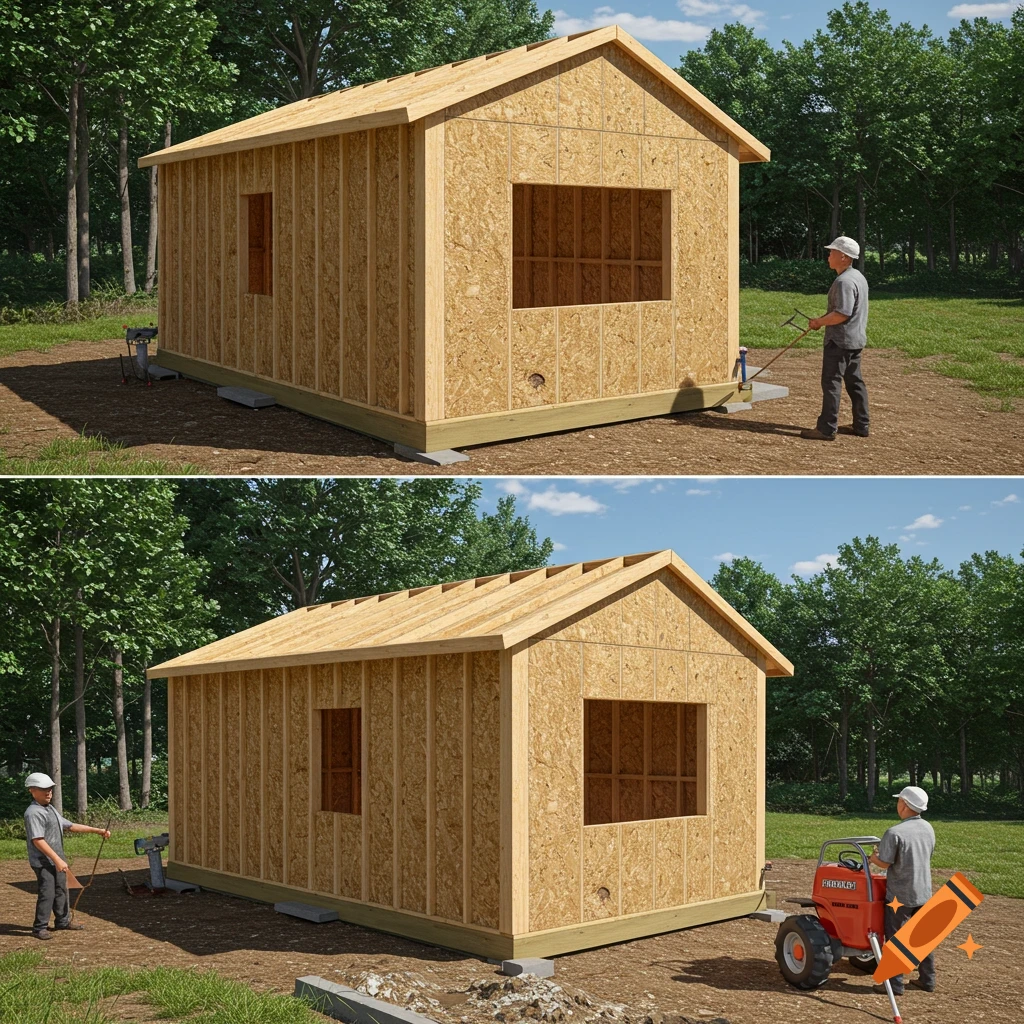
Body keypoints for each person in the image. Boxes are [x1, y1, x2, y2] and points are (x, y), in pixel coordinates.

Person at [23, 772, 110, 940]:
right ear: (32, 791)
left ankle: (62, 921)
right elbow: (37, 840)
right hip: (43, 862)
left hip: (57, 860)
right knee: (47, 893)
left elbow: (69, 826)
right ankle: (39, 927)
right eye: (43, 789)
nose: (48, 792)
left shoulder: (50, 809)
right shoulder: (33, 812)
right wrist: (56, 859)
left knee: (61, 890)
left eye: (49, 789)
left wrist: (97, 830)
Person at [800, 235, 870, 441]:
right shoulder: (858, 277)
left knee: (831, 383)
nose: (828, 256)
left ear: (845, 258)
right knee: (855, 383)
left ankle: (826, 428)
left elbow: (842, 313)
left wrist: (819, 322)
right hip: (855, 341)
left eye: (832, 252)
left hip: (840, 342)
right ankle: (862, 425)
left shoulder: (844, 282)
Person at [867, 785, 936, 995]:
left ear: (904, 804)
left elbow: (885, 864)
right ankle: (927, 979)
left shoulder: (894, 832)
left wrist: (873, 857)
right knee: (924, 937)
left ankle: (895, 984)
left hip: (900, 894)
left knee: (895, 938)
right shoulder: (928, 828)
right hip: (923, 891)